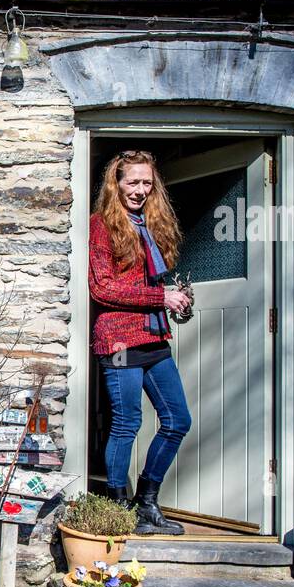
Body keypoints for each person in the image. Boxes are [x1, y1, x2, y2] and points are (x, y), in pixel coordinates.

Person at [88, 150, 194, 535]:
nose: (140, 190)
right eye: (132, 182)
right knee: (127, 423)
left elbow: (143, 285)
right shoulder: (101, 225)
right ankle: (117, 509)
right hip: (118, 342)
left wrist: (173, 299)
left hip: (153, 336)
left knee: (178, 419)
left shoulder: (149, 226)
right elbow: (102, 287)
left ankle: (146, 502)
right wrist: (159, 298)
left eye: (146, 182)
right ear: (116, 183)